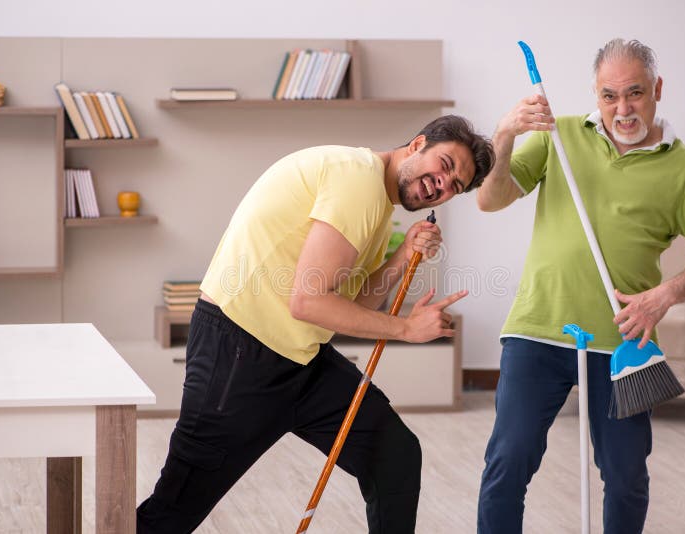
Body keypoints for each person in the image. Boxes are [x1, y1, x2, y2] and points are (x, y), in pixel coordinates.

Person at [137, 115, 495, 533]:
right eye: (446, 165)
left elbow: (349, 306)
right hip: (239, 354)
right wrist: (405, 329)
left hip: (300, 361)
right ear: (417, 145)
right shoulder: (357, 180)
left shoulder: (377, 204)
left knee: (394, 454)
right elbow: (308, 303)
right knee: (173, 511)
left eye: (455, 187)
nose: (444, 185)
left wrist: (400, 258)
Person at [476, 38, 685, 533]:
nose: (622, 108)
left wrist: (663, 298)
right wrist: (505, 135)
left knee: (626, 477)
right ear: (595, 95)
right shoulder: (561, 136)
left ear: (657, 89)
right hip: (536, 331)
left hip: (624, 343)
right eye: (609, 95)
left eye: (634, 93)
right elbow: (491, 199)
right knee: (507, 465)